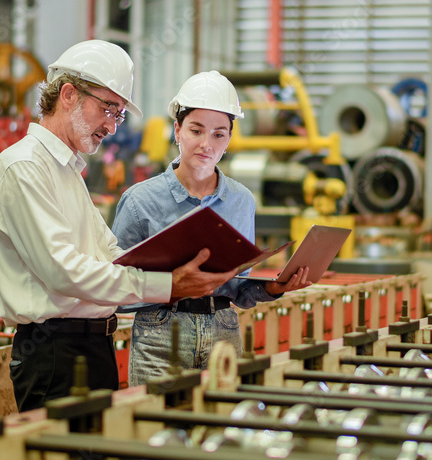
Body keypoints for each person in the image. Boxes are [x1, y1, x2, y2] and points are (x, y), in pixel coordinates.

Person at [0, 41, 239, 411]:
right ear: (68, 94)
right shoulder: (24, 168)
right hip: (54, 351)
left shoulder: (68, 171)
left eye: (118, 115)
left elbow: (112, 252)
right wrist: (165, 285)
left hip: (91, 346)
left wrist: (177, 267)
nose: (111, 126)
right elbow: (62, 271)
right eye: (108, 109)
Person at [112, 71, 312, 387]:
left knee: (223, 428)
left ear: (229, 140)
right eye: (196, 130)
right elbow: (114, 291)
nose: (207, 144)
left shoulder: (241, 200)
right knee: (159, 427)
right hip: (161, 333)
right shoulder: (139, 200)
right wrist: (172, 285)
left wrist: (274, 288)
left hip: (224, 329)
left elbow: (237, 286)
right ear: (177, 131)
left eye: (219, 134)